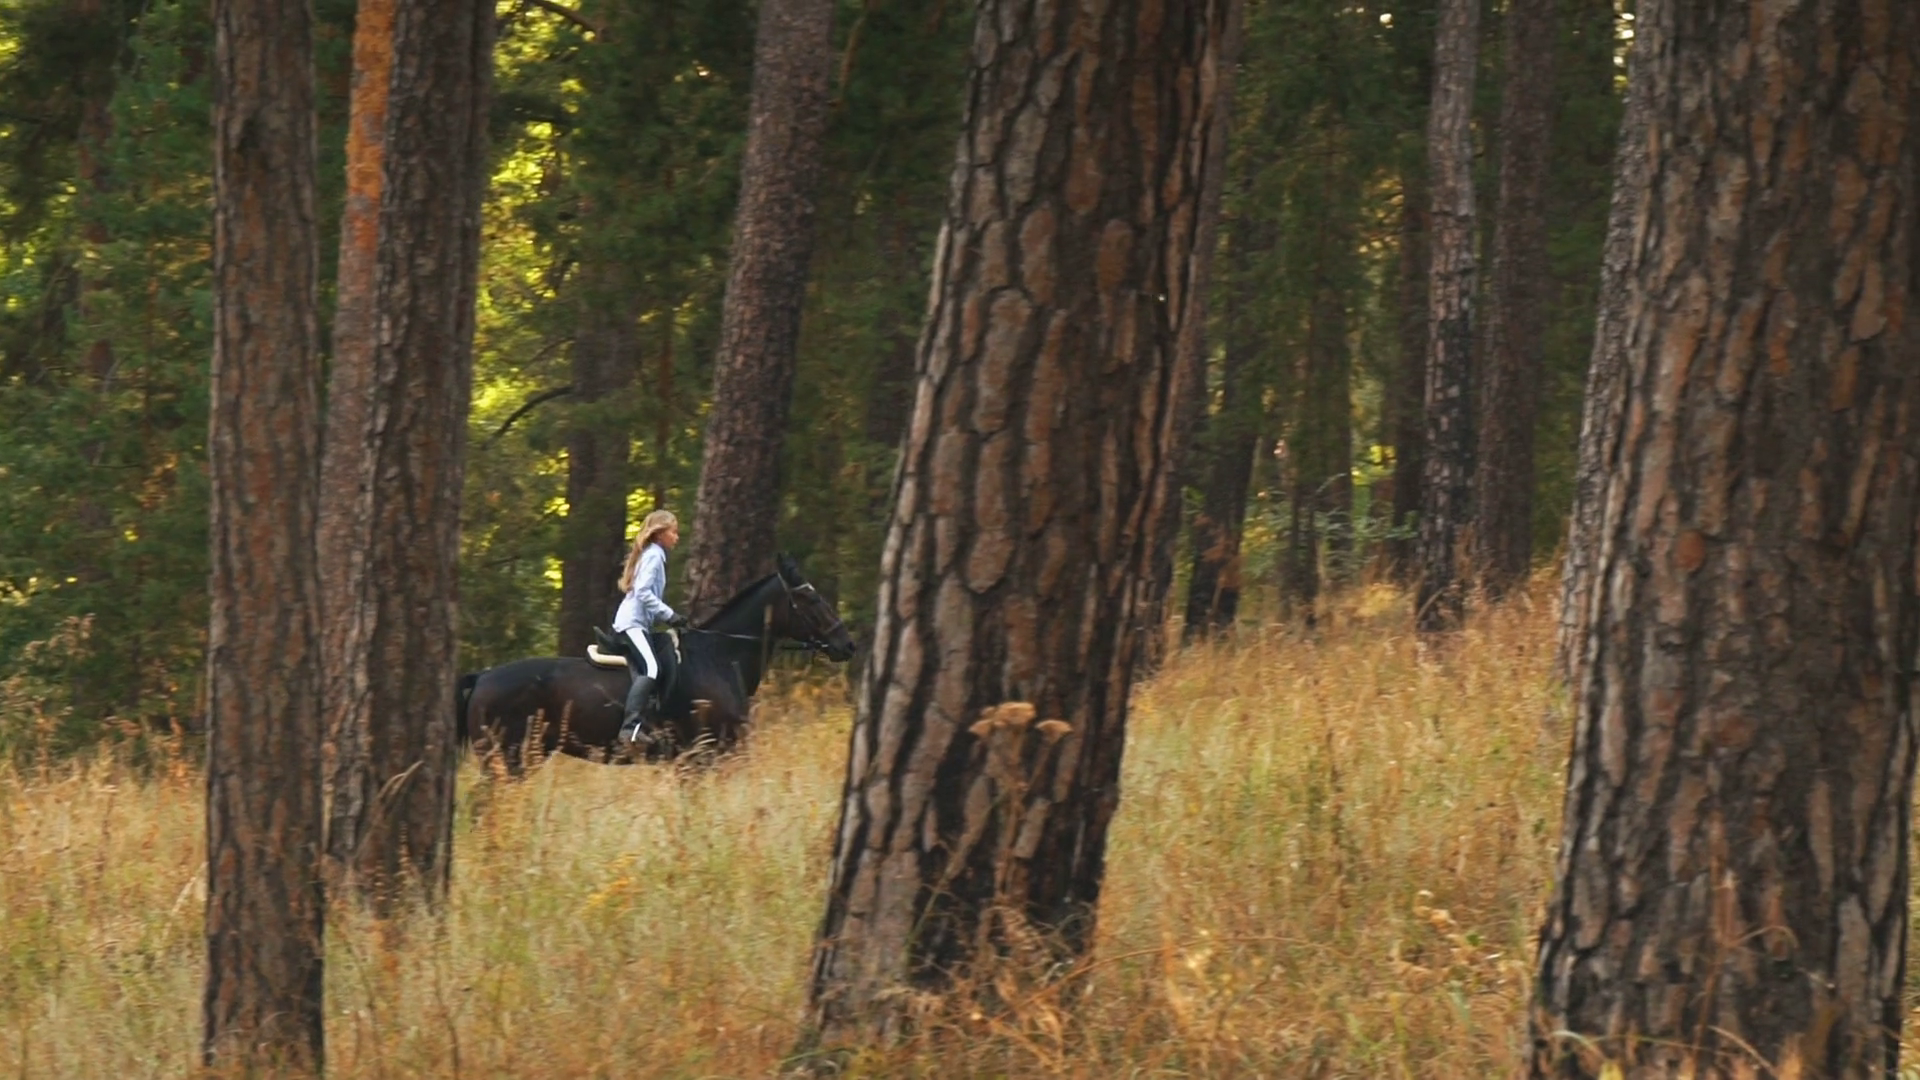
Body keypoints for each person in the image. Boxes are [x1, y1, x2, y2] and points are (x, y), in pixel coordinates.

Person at [613, 509, 687, 745]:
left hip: (640, 624)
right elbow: (643, 592)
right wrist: (670, 614)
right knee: (652, 668)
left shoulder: (654, 555)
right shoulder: (654, 555)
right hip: (631, 625)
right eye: (673, 532)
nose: (676, 537)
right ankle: (630, 729)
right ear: (659, 535)